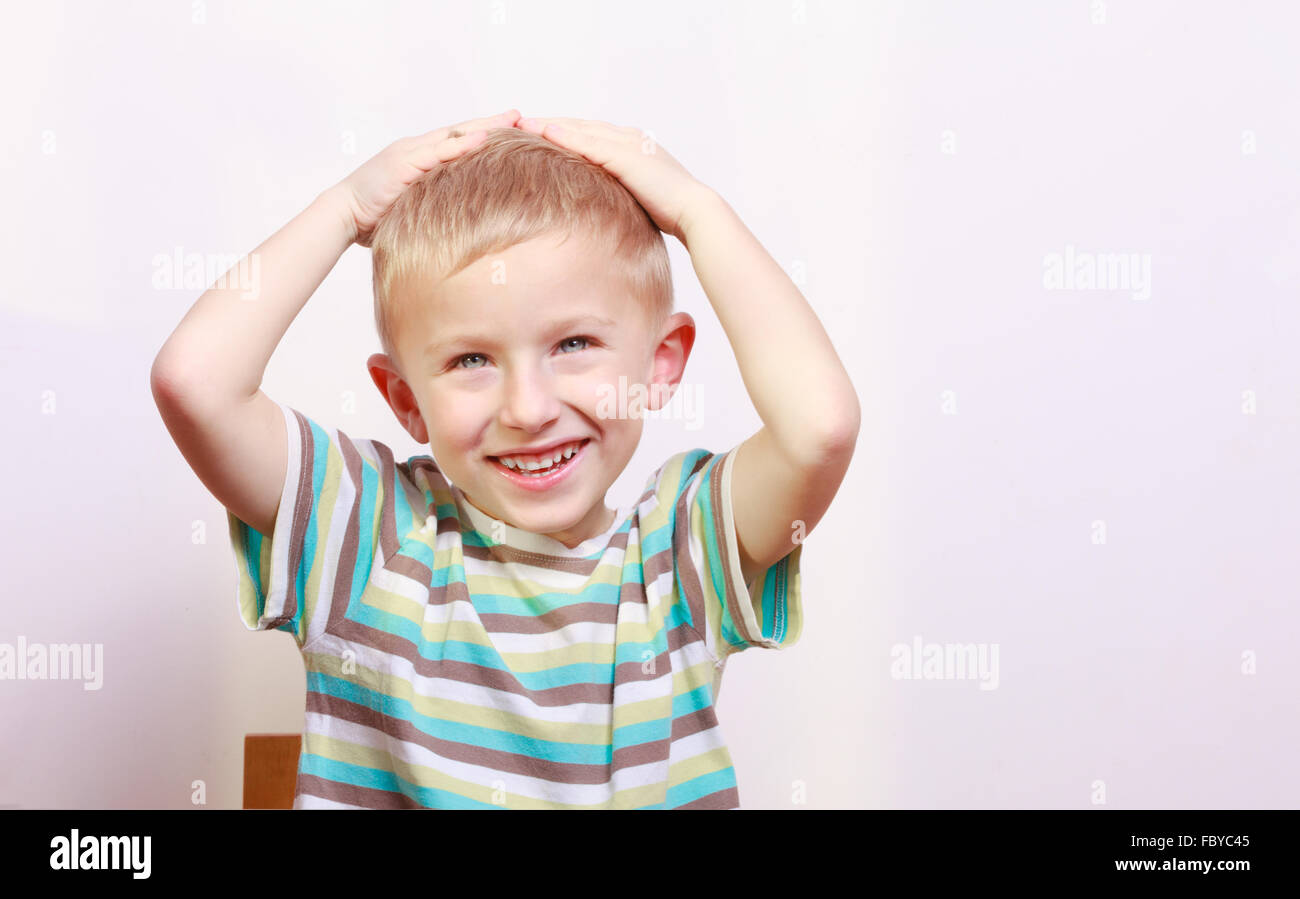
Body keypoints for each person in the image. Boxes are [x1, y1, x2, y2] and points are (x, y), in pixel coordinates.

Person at [150, 108, 860, 808]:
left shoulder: (678, 556)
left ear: (661, 362)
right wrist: (340, 210)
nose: (527, 407)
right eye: (471, 359)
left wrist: (699, 213)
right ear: (406, 400)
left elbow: (819, 429)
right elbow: (195, 383)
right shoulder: (368, 537)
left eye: (574, 344)